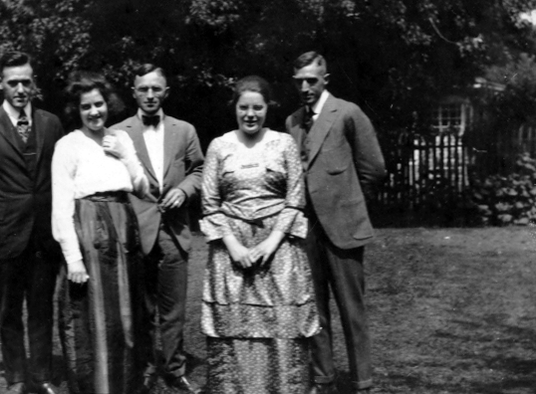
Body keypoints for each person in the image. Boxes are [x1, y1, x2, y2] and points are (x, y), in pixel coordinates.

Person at [199, 76, 320, 394]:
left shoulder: (284, 143)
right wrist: (234, 247)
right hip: (231, 249)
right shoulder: (219, 146)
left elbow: (295, 199)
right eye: (244, 107)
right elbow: (210, 204)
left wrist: (271, 243)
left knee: (282, 324)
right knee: (234, 324)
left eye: (257, 107)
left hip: (278, 248)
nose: (250, 114)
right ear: (234, 108)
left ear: (268, 108)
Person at [0, 49, 63, 394]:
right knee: (9, 310)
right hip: (4, 235)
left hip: (44, 235)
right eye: (13, 82)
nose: (20, 89)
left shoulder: (51, 123)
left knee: (42, 307)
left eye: (26, 82)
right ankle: (17, 378)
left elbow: (62, 175)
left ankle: (43, 376)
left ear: (34, 83)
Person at [285, 52, 386, 394]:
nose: (305, 87)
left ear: (325, 80)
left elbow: (374, 168)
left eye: (311, 80)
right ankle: (323, 379)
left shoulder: (347, 113)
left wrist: (349, 203)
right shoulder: (292, 122)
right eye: (299, 81)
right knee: (314, 309)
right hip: (307, 230)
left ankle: (362, 383)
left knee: (352, 310)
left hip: (343, 228)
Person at [51, 71, 149, 394]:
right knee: (94, 317)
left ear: (109, 104)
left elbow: (143, 188)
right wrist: (73, 259)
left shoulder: (121, 139)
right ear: (76, 110)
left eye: (99, 104)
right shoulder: (68, 145)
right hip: (90, 234)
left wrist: (125, 155)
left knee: (126, 316)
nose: (94, 112)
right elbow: (61, 206)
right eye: (86, 106)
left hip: (125, 233)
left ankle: (126, 386)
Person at [111, 64, 204, 394]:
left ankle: (175, 368)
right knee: (141, 308)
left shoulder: (185, 130)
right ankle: (145, 368)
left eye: (156, 89)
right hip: (136, 233)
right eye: (143, 89)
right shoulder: (117, 133)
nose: (150, 95)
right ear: (134, 92)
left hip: (174, 232)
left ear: (166, 92)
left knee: (173, 309)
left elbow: (199, 170)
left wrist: (185, 191)